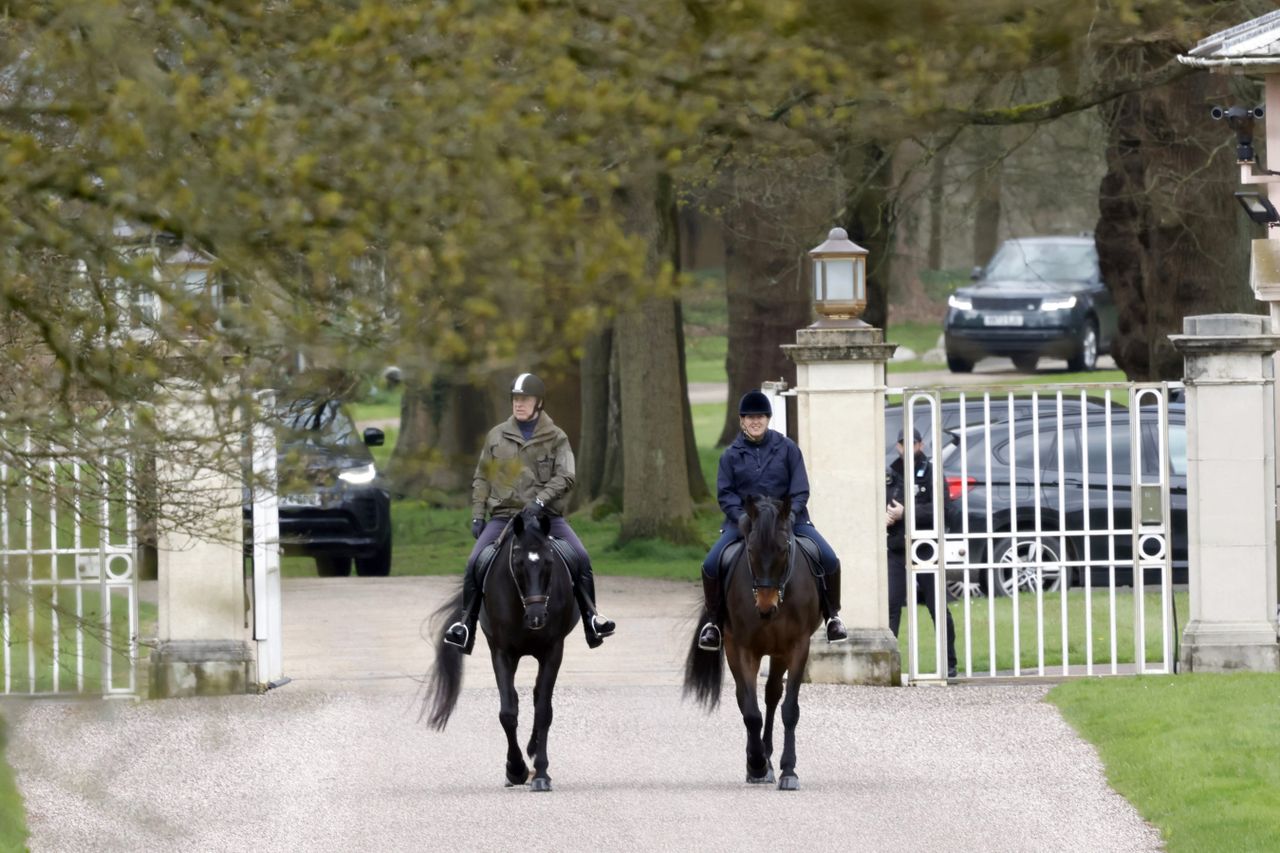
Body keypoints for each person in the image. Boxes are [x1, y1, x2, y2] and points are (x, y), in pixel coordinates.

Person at [443, 372, 615, 653]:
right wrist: (477, 514)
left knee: (581, 557)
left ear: (539, 402)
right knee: (474, 562)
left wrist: (540, 501)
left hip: (547, 518)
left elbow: (566, 475)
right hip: (503, 517)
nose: (518, 404)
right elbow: (481, 478)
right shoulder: (496, 436)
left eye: (525, 399)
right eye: (515, 399)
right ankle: (466, 626)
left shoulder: (557, 437)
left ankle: (591, 619)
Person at [696, 389, 847, 651]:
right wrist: (743, 518)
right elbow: (726, 494)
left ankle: (833, 616)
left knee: (830, 558)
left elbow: (800, 490)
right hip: (744, 524)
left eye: (760, 416)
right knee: (710, 564)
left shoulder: (788, 448)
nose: (755, 421)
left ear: (768, 419)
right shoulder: (730, 455)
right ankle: (714, 624)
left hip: (789, 522)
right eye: (750, 417)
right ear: (742, 421)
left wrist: (789, 516)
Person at [886, 427, 958, 678]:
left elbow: (943, 510)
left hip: (925, 546)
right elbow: (879, 504)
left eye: (912, 443)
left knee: (936, 605)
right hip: (896, 546)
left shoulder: (931, 472)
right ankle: (888, 664)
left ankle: (948, 664)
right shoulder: (891, 474)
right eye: (903, 443)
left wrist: (906, 513)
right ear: (898, 446)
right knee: (891, 605)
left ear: (921, 445)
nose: (907, 448)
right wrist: (884, 516)